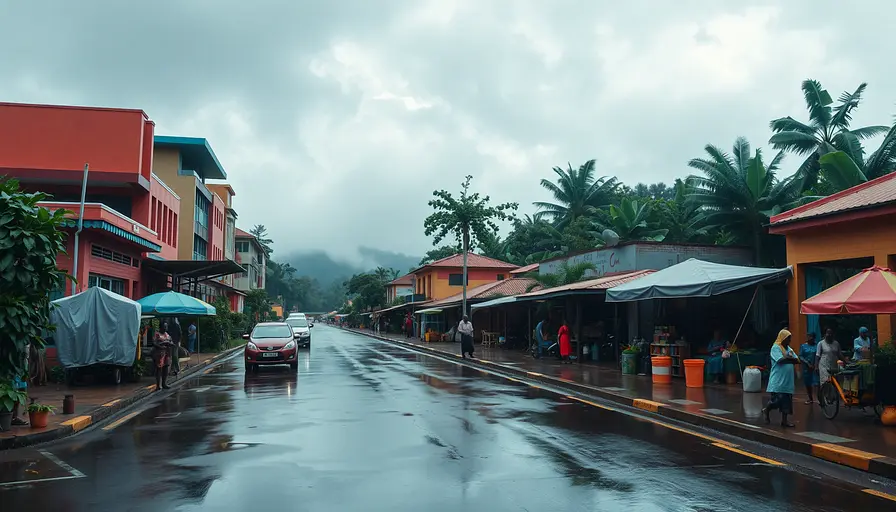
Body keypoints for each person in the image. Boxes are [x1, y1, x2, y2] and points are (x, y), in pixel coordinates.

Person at [762, 329, 800, 427]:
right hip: (778, 380)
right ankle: (767, 410)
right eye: (788, 339)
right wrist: (790, 358)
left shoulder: (789, 349)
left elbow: (797, 360)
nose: (789, 341)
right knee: (777, 400)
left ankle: (784, 421)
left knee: (787, 401)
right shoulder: (775, 348)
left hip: (788, 380)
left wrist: (789, 358)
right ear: (782, 338)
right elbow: (780, 360)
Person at [798, 332, 820, 404]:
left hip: (815, 367)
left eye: (810, 337)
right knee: (808, 384)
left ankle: (820, 399)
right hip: (806, 368)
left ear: (814, 338)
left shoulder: (817, 346)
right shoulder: (803, 346)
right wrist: (807, 363)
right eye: (808, 336)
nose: (809, 338)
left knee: (817, 383)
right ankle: (810, 398)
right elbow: (800, 356)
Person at [152, 322, 174, 391]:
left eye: (166, 326)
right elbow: (154, 343)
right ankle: (158, 385)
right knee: (159, 369)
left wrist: (170, 344)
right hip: (159, 354)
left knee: (165, 368)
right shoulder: (157, 334)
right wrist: (162, 344)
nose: (165, 328)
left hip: (167, 354)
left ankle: (164, 383)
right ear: (160, 327)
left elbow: (172, 342)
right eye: (164, 326)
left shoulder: (167, 335)